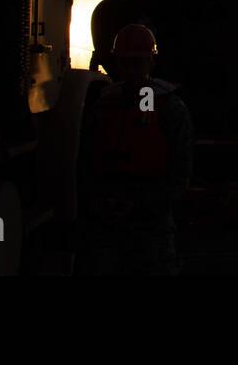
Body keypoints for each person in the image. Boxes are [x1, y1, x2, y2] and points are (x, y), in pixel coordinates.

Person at [79, 23, 193, 275]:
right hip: (110, 219)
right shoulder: (104, 105)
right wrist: (101, 203)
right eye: (125, 63)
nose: (130, 71)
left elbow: (180, 170)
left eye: (136, 63)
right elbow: (87, 159)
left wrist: (143, 204)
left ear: (151, 63)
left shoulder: (170, 109)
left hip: (151, 221)